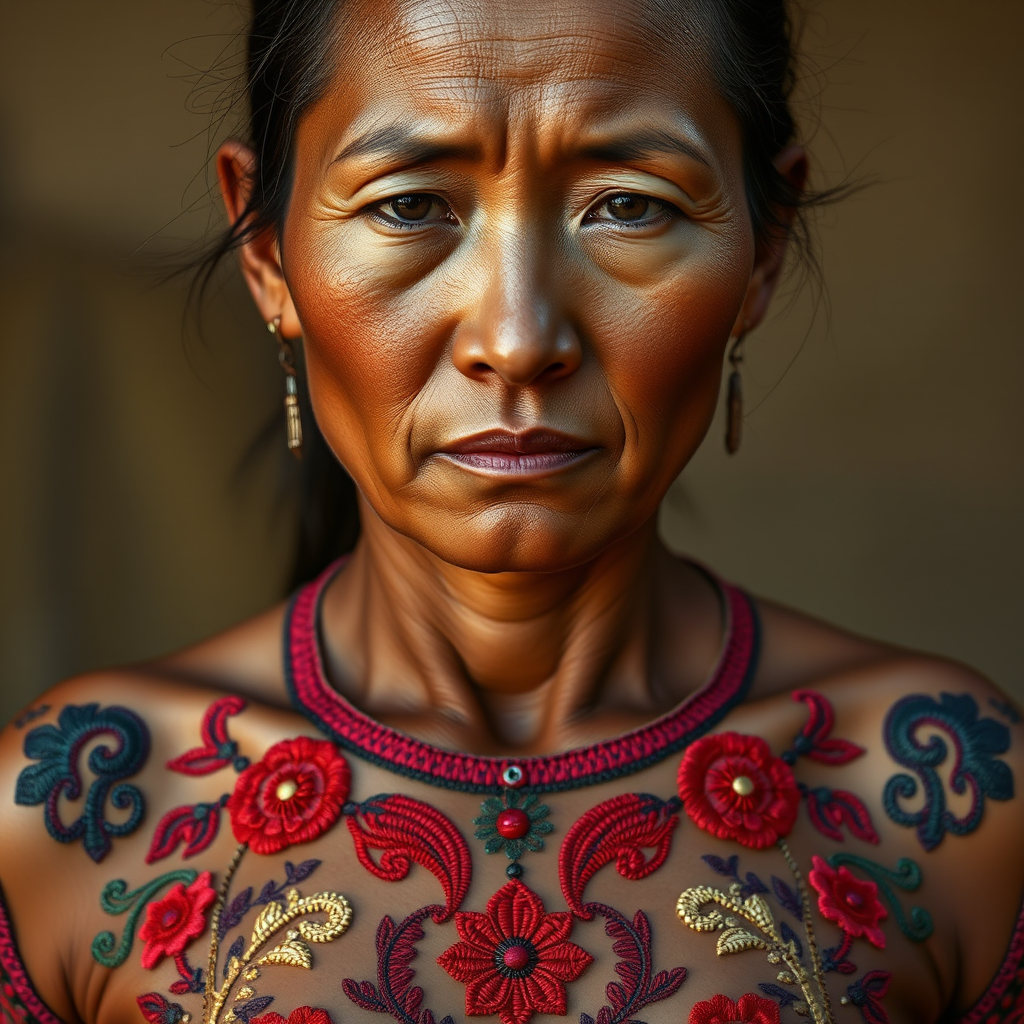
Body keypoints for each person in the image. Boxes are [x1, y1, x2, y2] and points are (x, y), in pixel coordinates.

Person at [1, 1, 1022, 1022]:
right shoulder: (73, 815)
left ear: (762, 249)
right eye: (409, 205)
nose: (519, 336)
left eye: (628, 204)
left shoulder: (944, 802)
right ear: (267, 250)